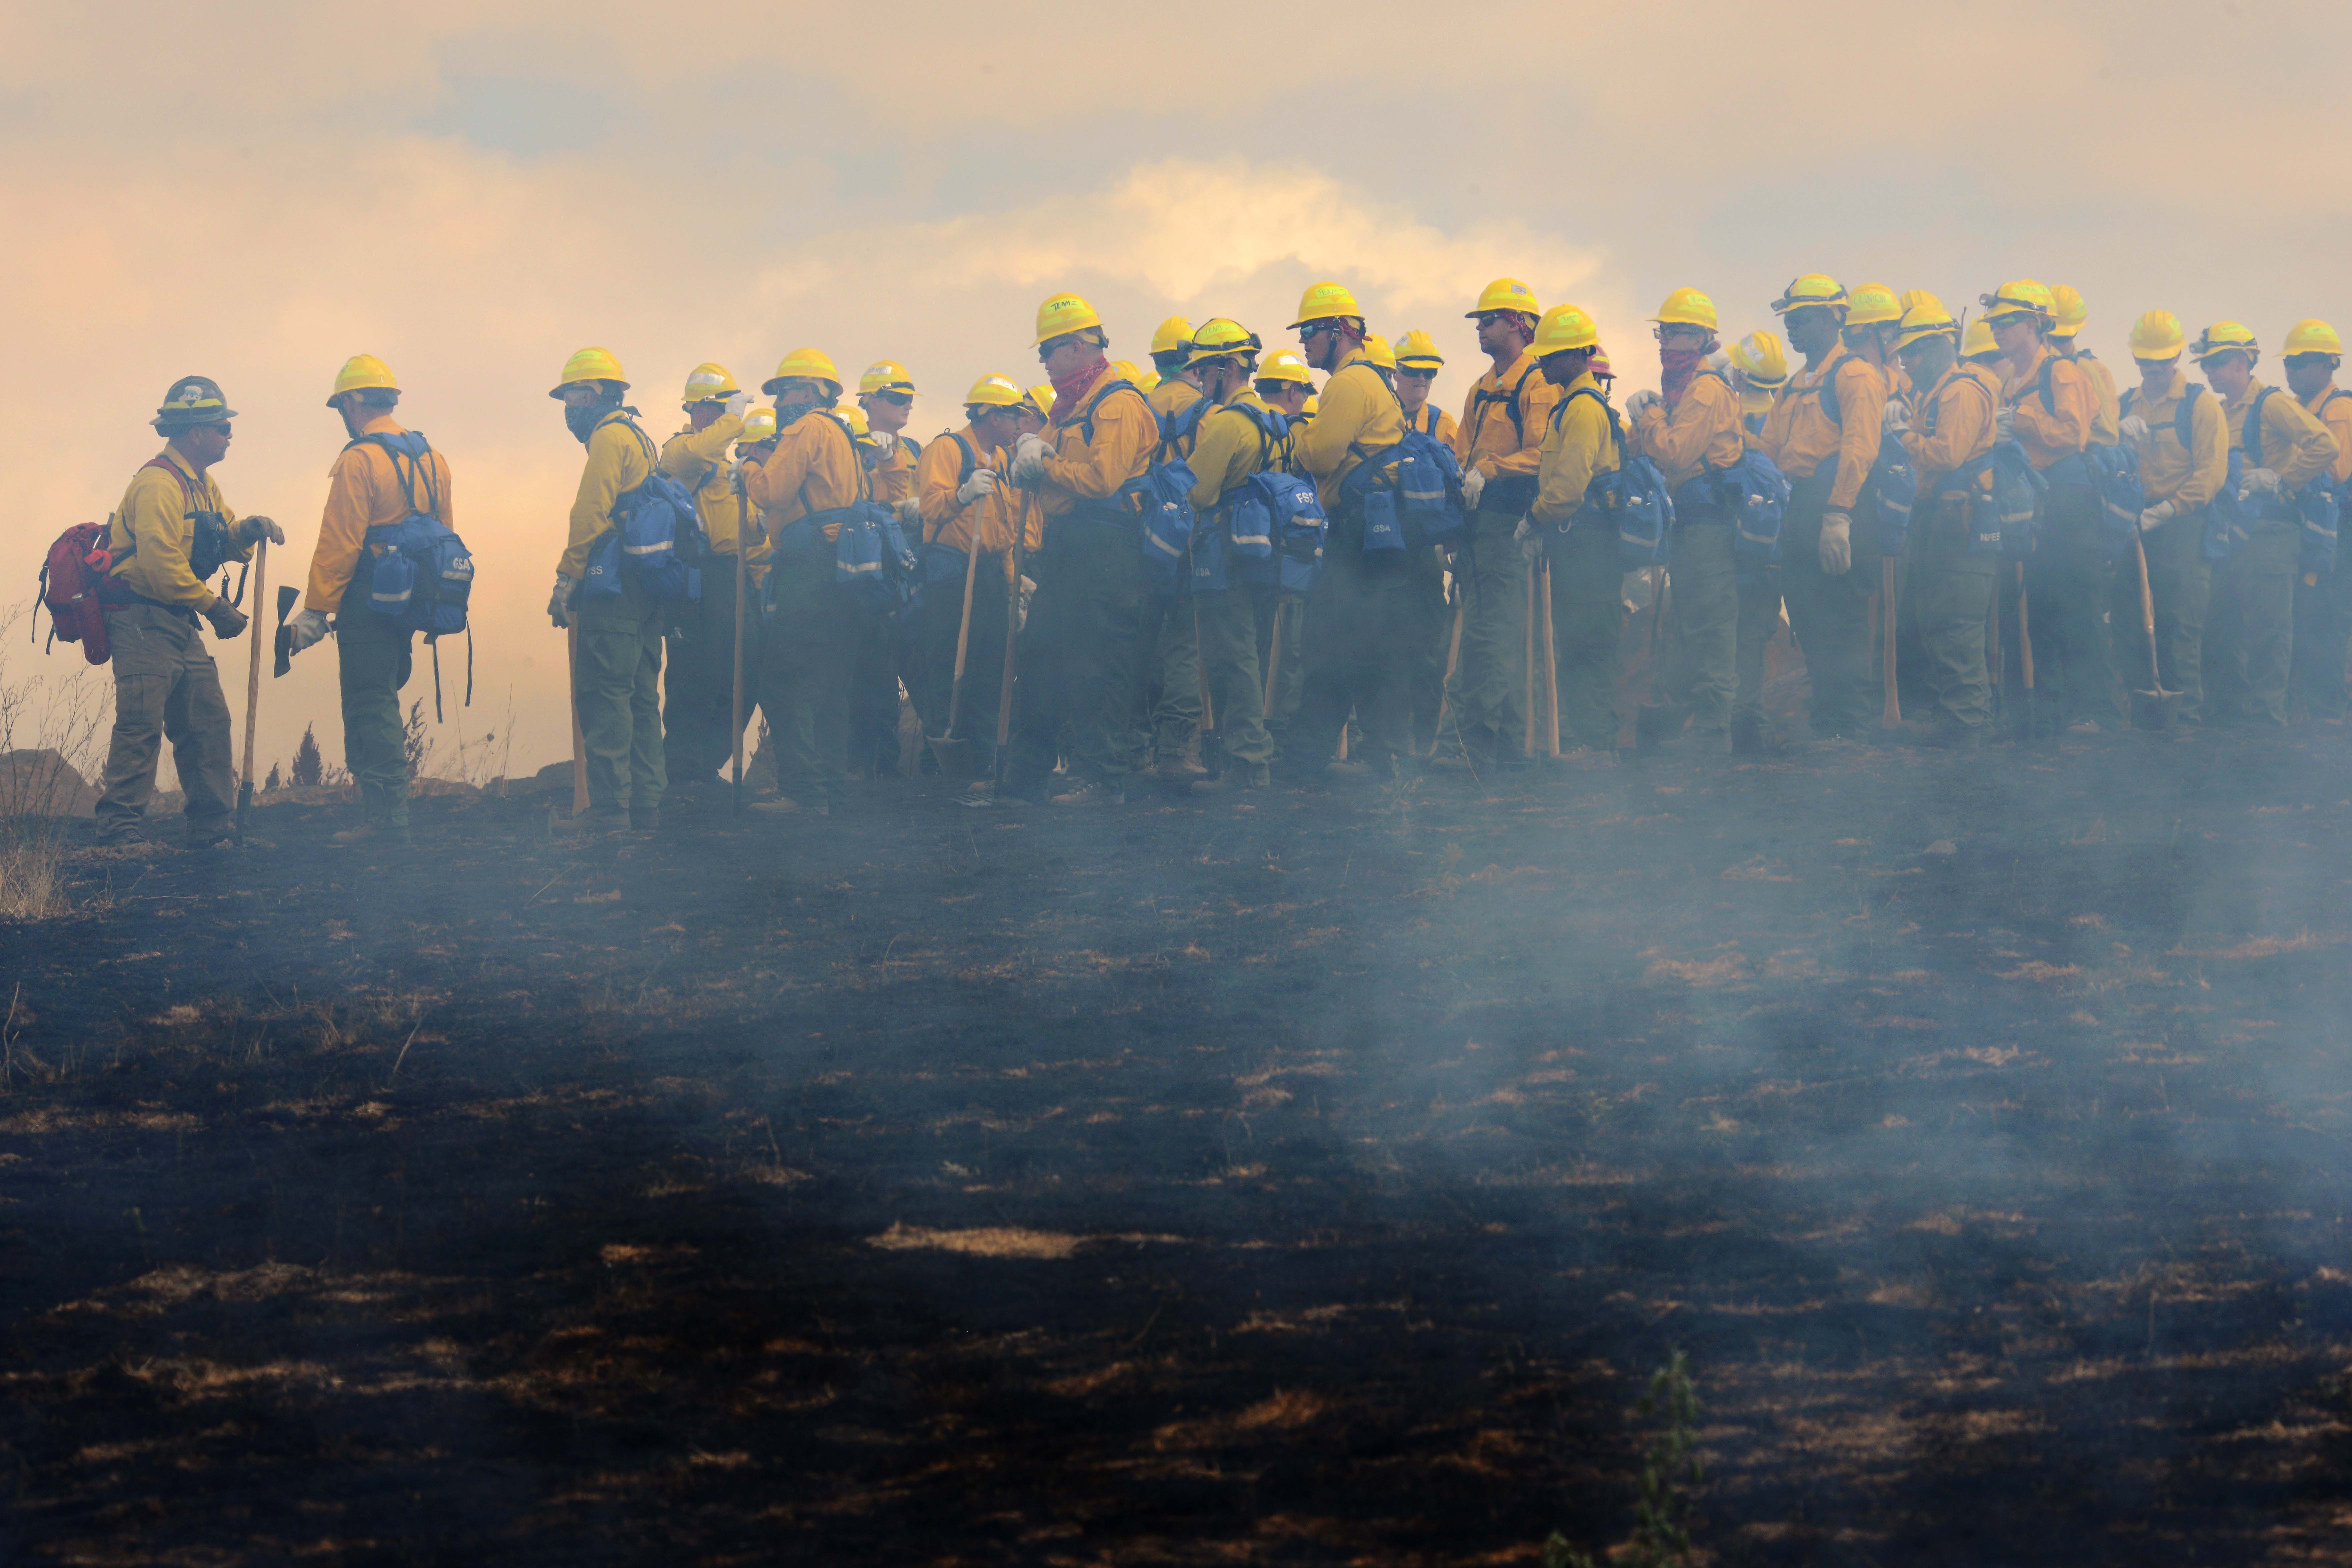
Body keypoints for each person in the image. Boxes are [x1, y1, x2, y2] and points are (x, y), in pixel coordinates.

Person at [93, 376, 281, 846]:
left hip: (177, 618)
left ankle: (212, 826)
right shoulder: (158, 485)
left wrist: (247, 531)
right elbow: (160, 565)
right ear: (196, 432)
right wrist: (215, 608)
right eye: (222, 426)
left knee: (207, 720)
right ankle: (119, 830)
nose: (229, 434)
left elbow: (220, 537)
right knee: (141, 724)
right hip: (142, 619)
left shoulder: (202, 485)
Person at [283, 354, 457, 841]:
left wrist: (316, 611)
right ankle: (388, 809)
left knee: (369, 697)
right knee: (386, 687)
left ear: (351, 403)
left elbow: (339, 542)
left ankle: (387, 819)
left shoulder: (358, 460)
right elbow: (445, 533)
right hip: (414, 594)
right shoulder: (432, 458)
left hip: (370, 594)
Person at [1003, 292, 1156, 804]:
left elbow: (1102, 479)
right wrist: (1029, 456)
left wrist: (1042, 465)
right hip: (1069, 544)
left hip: (1105, 546)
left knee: (1098, 662)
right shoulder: (1071, 408)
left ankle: (1102, 776)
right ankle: (1024, 777)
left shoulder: (1117, 403)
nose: (1043, 362)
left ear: (1076, 345)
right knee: (1042, 654)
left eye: (1048, 350)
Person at [1287, 280, 1409, 780]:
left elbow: (1320, 455)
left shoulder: (1347, 384)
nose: (1304, 342)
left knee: (1330, 642)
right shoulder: (1372, 381)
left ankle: (1306, 760)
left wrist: (1296, 430)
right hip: (1377, 530)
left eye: (1311, 330)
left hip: (1355, 531)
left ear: (1340, 330)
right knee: (1368, 644)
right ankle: (1377, 757)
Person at [1759, 274, 1887, 743]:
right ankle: (1830, 724)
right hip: (1800, 510)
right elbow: (1768, 450)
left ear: (1835, 318)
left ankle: (1851, 728)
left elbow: (1860, 449)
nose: (1792, 328)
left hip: (1841, 507)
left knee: (1845, 621)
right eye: (1789, 319)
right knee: (1810, 616)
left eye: (1803, 318)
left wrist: (1839, 515)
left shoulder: (1855, 376)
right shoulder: (1793, 386)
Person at [546, 347, 666, 830]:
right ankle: (645, 809)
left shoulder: (608, 438)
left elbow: (591, 513)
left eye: (571, 396)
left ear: (593, 393)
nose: (568, 408)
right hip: (646, 587)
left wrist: (567, 578)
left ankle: (609, 814)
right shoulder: (641, 437)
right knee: (641, 696)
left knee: (605, 695)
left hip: (613, 585)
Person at [2197, 322, 2339, 727]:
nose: (2211, 372)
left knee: (2269, 628)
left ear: (2242, 362)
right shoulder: (2222, 410)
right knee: (2224, 625)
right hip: (2233, 532)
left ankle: (2266, 721)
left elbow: (2325, 444)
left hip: (2273, 531)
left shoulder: (2270, 404)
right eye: (2207, 365)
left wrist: (2282, 479)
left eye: (2219, 363)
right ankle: (2231, 718)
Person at [742, 348, 864, 814]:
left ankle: (803, 793)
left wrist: (750, 468)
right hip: (841, 567)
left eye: (785, 390)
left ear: (810, 391)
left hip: (810, 567)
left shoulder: (807, 427)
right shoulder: (844, 434)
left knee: (783, 679)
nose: (778, 402)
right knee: (831, 684)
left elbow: (773, 491)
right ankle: (830, 788)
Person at [1625, 287, 1745, 752]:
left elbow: (1674, 453)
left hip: (1709, 524)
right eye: (1664, 332)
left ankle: (1715, 730)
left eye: (1671, 332)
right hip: (1692, 524)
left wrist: (1651, 414)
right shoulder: (1686, 390)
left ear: (1696, 339)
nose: (1663, 341)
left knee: (1711, 622)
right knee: (1690, 619)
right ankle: (1696, 722)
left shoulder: (1705, 389)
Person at [1983, 279, 2106, 734]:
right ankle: (2056, 715)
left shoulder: (2062, 373)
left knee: (2079, 608)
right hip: (2032, 502)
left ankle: (2096, 713)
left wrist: (2020, 421)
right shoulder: (2006, 380)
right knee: (2043, 609)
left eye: (2007, 322)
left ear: (2035, 323)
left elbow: (2072, 434)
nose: (1998, 330)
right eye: (1995, 323)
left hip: (2069, 498)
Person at [1443, 277, 1556, 767]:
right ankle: (1506, 745)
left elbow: (1541, 454)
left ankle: (1480, 743)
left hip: (1509, 523)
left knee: (1496, 633)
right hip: (1477, 527)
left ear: (1516, 324)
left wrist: (1491, 469)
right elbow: (1461, 454)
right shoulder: (1481, 388)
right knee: (1486, 631)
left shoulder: (1538, 383)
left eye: (1487, 321)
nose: (1480, 330)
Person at [1178, 318, 1284, 792]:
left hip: (1226, 552)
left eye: (1205, 371)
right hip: (1269, 553)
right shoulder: (1276, 422)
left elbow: (1196, 492)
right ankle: (1250, 758)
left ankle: (1247, 763)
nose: (1201, 381)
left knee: (1232, 655)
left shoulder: (1226, 424)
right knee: (1253, 652)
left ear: (1227, 367)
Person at [1890, 301, 1999, 747]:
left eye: (1913, 351)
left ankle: (1969, 724)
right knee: (1936, 619)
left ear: (1940, 345)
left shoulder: (1960, 392)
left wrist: (1904, 438)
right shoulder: (1934, 393)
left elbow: (1948, 454)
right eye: (1902, 354)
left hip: (1962, 521)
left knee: (1957, 624)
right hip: (1940, 520)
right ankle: (1955, 718)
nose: (1906, 361)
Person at [2113, 310, 2227, 727]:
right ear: (2137, 359)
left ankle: (2187, 718)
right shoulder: (2123, 405)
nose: (2156, 369)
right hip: (2133, 525)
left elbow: (2212, 471)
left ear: (2176, 356)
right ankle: (2145, 717)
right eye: (2147, 361)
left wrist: (2169, 509)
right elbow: (2099, 460)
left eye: (2163, 361)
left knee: (2180, 621)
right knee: (2131, 620)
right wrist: (2114, 437)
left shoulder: (2201, 405)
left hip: (2183, 524)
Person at [914, 373, 1028, 777]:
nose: (1020, 424)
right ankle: (936, 760)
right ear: (992, 415)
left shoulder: (1002, 460)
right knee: (949, 665)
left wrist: (1013, 585)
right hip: (953, 572)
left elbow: (1006, 530)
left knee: (990, 669)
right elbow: (930, 507)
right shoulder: (948, 449)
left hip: (991, 573)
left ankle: (982, 764)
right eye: (1014, 415)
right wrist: (961, 495)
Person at [1522, 304, 1624, 754]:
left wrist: (1534, 519)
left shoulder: (1582, 408)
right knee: (1581, 640)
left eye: (1549, 356)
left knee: (1587, 643)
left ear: (1577, 356)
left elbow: (1567, 487)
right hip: (1584, 543)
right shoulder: (1574, 404)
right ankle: (1588, 739)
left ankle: (1595, 744)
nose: (1541, 364)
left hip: (1588, 544)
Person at [652, 364, 748, 794]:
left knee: (730, 672)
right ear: (696, 410)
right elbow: (697, 451)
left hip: (728, 576)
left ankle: (705, 763)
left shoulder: (726, 465)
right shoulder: (679, 450)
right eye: (712, 408)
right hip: (693, 575)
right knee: (689, 673)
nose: (718, 416)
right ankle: (680, 766)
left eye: (722, 409)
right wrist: (734, 419)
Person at [849, 361, 922, 778]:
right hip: (869, 574)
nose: (906, 405)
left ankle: (925, 764)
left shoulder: (913, 447)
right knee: (873, 674)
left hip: (908, 569)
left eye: (909, 398)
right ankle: (874, 766)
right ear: (871, 401)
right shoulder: (851, 445)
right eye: (897, 398)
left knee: (919, 666)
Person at [1393, 329, 1459, 754]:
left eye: (1430, 372)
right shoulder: (1377, 418)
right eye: (1414, 371)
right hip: (1383, 547)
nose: (1422, 380)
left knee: (1428, 644)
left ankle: (1424, 736)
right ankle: (1388, 735)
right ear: (1395, 373)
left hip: (1425, 554)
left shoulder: (1443, 424)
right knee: (1385, 642)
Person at [2284, 319, 2352, 720]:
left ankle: (2328, 706)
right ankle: (2315, 700)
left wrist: (2285, 473)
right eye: (2290, 362)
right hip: (2320, 526)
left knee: (2328, 610)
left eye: (2301, 362)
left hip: (2340, 527)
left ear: (2328, 364)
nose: (2291, 370)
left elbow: (2337, 469)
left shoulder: (2338, 407)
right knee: (2311, 609)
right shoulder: (2306, 410)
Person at [1252, 349, 1319, 751]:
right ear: (1293, 392)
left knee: (1277, 641)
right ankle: (1279, 725)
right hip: (1295, 548)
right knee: (1289, 642)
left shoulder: (1253, 427)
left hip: (1265, 547)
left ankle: (1272, 720)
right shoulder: (1300, 432)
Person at [2049, 286, 2120, 446]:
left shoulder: (2096, 371)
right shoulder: (2021, 371)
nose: (2053, 345)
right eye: (2050, 337)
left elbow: (2108, 434)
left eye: (2062, 338)